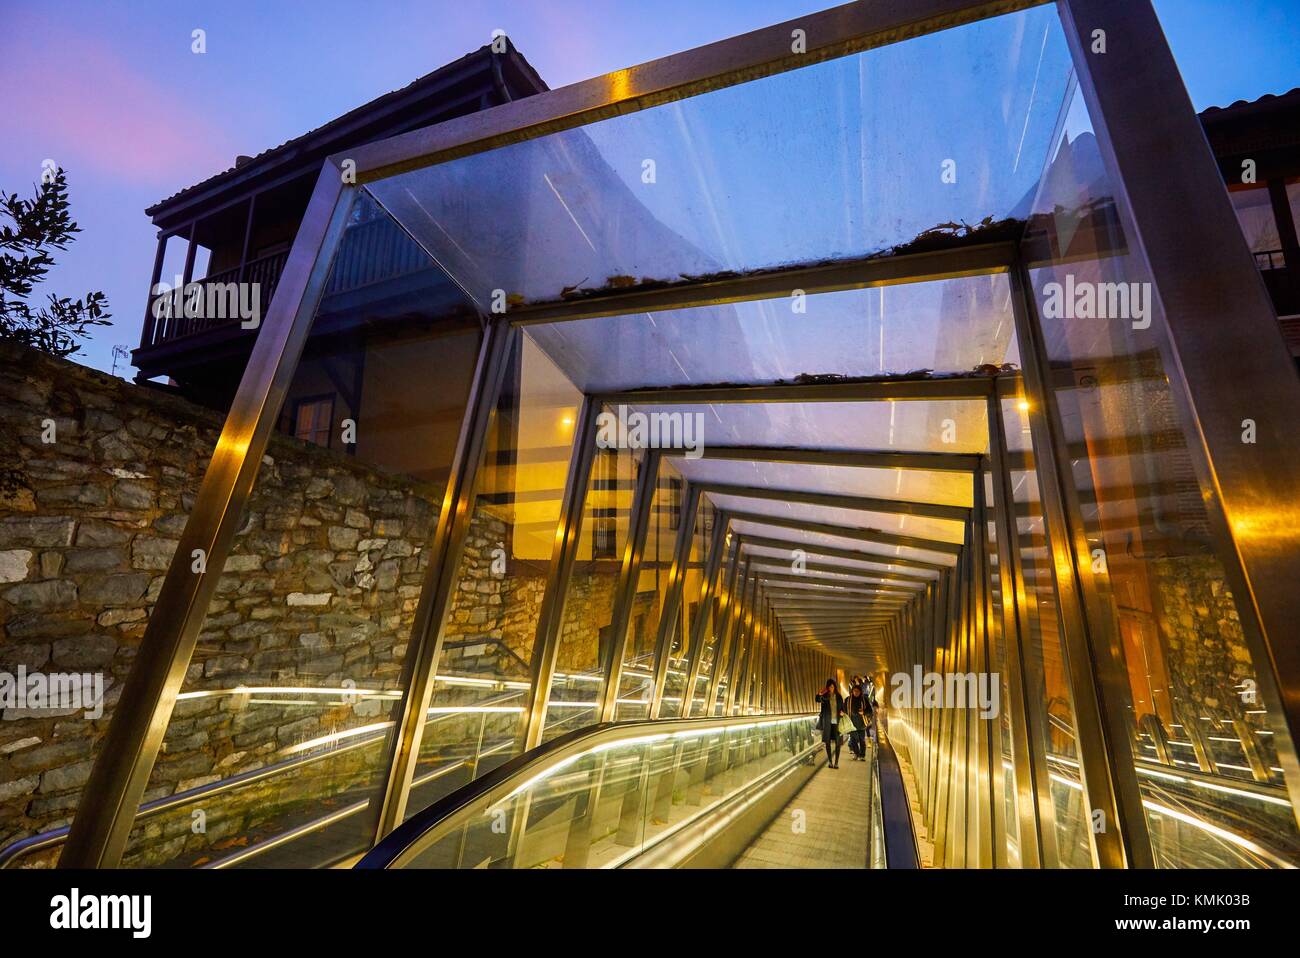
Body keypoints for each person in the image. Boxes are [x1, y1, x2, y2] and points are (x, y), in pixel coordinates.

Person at [815, 678, 846, 768]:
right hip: (827, 722)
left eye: (832, 687)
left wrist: (842, 712)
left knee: (838, 742)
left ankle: (836, 762)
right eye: (829, 687)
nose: (831, 688)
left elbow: (842, 708)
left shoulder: (839, 697)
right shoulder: (824, 697)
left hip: (837, 722)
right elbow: (817, 699)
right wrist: (820, 694)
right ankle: (830, 762)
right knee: (827, 742)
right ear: (827, 688)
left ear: (835, 687)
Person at [846, 682, 870, 760]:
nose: (856, 693)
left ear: (860, 692)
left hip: (862, 724)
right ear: (852, 691)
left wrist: (864, 712)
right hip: (851, 724)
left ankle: (862, 755)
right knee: (853, 740)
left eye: (858, 691)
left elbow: (870, 711)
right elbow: (844, 709)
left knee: (862, 740)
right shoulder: (848, 700)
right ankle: (856, 754)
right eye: (854, 691)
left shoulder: (864, 700)